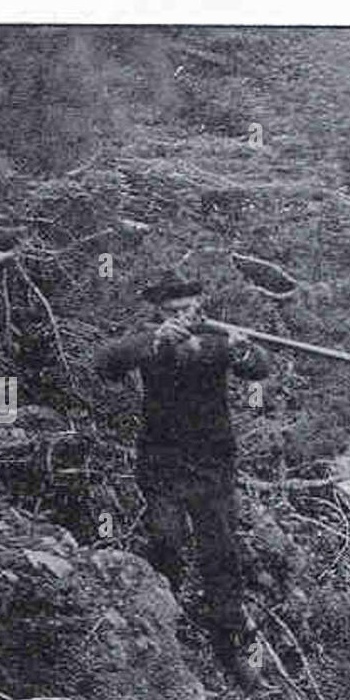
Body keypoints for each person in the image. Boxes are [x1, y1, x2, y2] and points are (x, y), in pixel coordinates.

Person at [93, 271, 270, 679]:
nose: (183, 315)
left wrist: (244, 352)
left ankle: (229, 647)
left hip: (213, 466)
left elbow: (260, 367)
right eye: (173, 310)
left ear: (200, 304)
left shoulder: (217, 339)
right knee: (166, 542)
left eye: (189, 307)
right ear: (159, 311)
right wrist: (156, 342)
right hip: (163, 466)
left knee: (222, 555)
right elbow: (106, 361)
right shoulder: (149, 339)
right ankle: (161, 631)